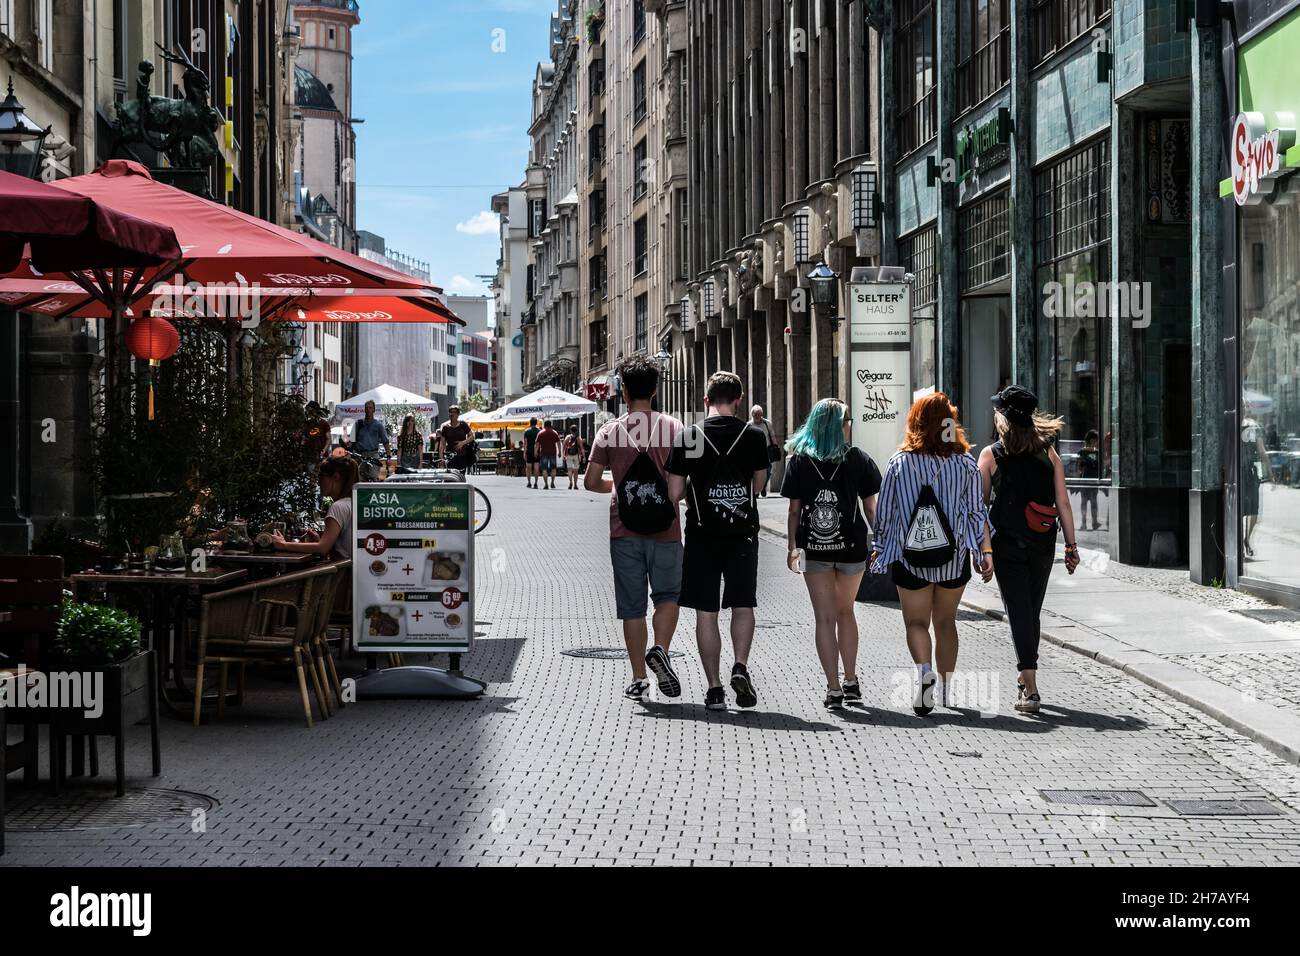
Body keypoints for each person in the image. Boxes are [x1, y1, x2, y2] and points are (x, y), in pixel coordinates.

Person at [870, 392, 992, 716]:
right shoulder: (966, 463)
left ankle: (924, 672)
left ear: (916, 423)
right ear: (949, 424)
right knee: (946, 622)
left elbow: (885, 513)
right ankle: (948, 689)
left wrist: (879, 547)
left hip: (911, 556)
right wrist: (985, 551)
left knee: (916, 622)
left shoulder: (899, 463)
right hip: (953, 558)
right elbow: (977, 512)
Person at [667, 371, 770, 711]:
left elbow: (675, 492)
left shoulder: (689, 437)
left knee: (706, 612)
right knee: (743, 604)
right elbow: (758, 485)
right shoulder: (754, 436)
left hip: (702, 533)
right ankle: (740, 666)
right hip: (743, 533)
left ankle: (714, 688)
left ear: (706, 400)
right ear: (738, 400)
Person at [585, 356, 685, 700]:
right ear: (655, 390)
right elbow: (682, 486)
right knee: (668, 596)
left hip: (624, 530)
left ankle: (640, 677)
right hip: (667, 529)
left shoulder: (609, 431)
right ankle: (660, 649)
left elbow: (590, 481)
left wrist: (619, 488)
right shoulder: (675, 428)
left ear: (623, 391)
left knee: (632, 607)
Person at [978, 386, 1080, 714]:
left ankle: (1030, 687)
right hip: (1042, 543)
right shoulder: (1048, 453)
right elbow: (1062, 502)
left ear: (1003, 417)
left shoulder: (991, 455)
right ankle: (1026, 679)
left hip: (1007, 547)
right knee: (1030, 612)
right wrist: (1071, 545)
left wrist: (985, 551)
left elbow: (980, 509)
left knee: (1021, 613)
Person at [781, 399, 882, 710]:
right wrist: (878, 539)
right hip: (852, 547)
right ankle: (851, 681)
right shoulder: (857, 459)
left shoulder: (799, 461)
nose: (851, 424)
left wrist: (791, 546)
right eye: (847, 419)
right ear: (839, 425)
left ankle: (833, 688)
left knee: (824, 618)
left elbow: (794, 510)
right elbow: (870, 507)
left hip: (813, 548)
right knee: (846, 612)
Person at [272, 455, 358, 561]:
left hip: (340, 575)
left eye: (321, 476)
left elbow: (322, 548)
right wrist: (318, 541)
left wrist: (283, 545)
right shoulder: (353, 503)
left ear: (336, 476)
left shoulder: (338, 507)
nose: (318, 482)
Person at [351, 400, 391, 478]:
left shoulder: (378, 425)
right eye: (367, 408)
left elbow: (385, 442)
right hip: (361, 455)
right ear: (364, 410)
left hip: (373, 454)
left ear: (374, 410)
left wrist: (389, 456)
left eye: (370, 408)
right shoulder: (358, 424)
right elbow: (351, 441)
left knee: (373, 477)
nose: (368, 409)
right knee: (360, 479)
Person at [751, 405, 780, 496]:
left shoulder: (767, 423)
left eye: (760, 415)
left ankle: (763, 486)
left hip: (767, 450)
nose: (758, 417)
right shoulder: (749, 425)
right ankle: (756, 489)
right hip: (754, 451)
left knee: (768, 469)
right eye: (756, 415)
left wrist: (775, 446)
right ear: (752, 414)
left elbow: (772, 434)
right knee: (755, 470)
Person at [437, 405, 476, 473]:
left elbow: (472, 437)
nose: (451, 414)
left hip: (462, 456)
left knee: (461, 477)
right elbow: (442, 444)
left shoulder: (463, 424)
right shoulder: (445, 427)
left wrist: (462, 443)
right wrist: (441, 459)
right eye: (450, 412)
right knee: (451, 478)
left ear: (458, 414)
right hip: (450, 456)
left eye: (454, 412)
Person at [1075, 429, 1100, 531]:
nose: (1097, 442)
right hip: (1090, 480)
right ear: (1092, 440)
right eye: (1095, 440)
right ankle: (1091, 522)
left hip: (1086, 480)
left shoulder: (1084, 452)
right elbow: (1079, 468)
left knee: (1085, 502)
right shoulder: (1087, 452)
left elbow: (1078, 468)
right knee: (1091, 501)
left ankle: (1086, 523)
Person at [535, 419, 562, 489]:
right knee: (553, 468)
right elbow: (558, 443)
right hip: (553, 452)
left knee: (544, 469)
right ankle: (552, 482)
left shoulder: (540, 433)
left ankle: (546, 484)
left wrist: (535, 452)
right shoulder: (554, 433)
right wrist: (560, 451)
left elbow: (537, 444)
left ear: (544, 425)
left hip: (543, 453)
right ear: (551, 425)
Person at [563, 424, 586, 490]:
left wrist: (563, 455)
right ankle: (575, 484)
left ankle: (570, 482)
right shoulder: (578, 438)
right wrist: (584, 456)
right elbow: (582, 448)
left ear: (570, 430)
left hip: (568, 455)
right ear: (577, 431)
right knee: (576, 471)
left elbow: (564, 447)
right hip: (576, 455)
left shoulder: (567, 437)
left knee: (569, 470)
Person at [523, 418, 541, 488]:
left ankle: (529, 482)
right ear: (536, 423)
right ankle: (536, 483)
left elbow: (525, 443)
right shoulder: (539, 431)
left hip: (529, 451)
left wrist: (524, 453)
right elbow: (540, 443)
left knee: (528, 468)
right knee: (536, 467)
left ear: (530, 423)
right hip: (537, 451)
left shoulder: (527, 431)